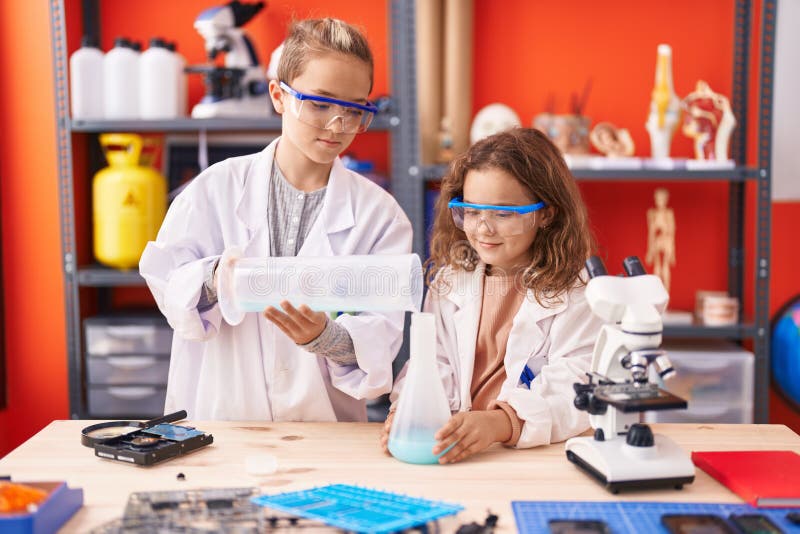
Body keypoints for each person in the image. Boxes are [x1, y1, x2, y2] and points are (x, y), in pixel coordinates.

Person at [139, 18, 412, 421]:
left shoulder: (380, 215)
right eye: (319, 103)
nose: (337, 125)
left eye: (353, 110)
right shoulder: (216, 189)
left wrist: (325, 337)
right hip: (222, 422)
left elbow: (382, 337)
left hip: (323, 433)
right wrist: (215, 279)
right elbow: (167, 285)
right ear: (278, 96)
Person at [380, 128, 604, 463]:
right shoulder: (450, 282)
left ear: (546, 213)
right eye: (471, 210)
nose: (484, 228)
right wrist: (408, 407)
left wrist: (500, 423)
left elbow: (576, 387)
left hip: (536, 457)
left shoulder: (578, 293)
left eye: (503, 213)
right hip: (456, 450)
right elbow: (434, 362)